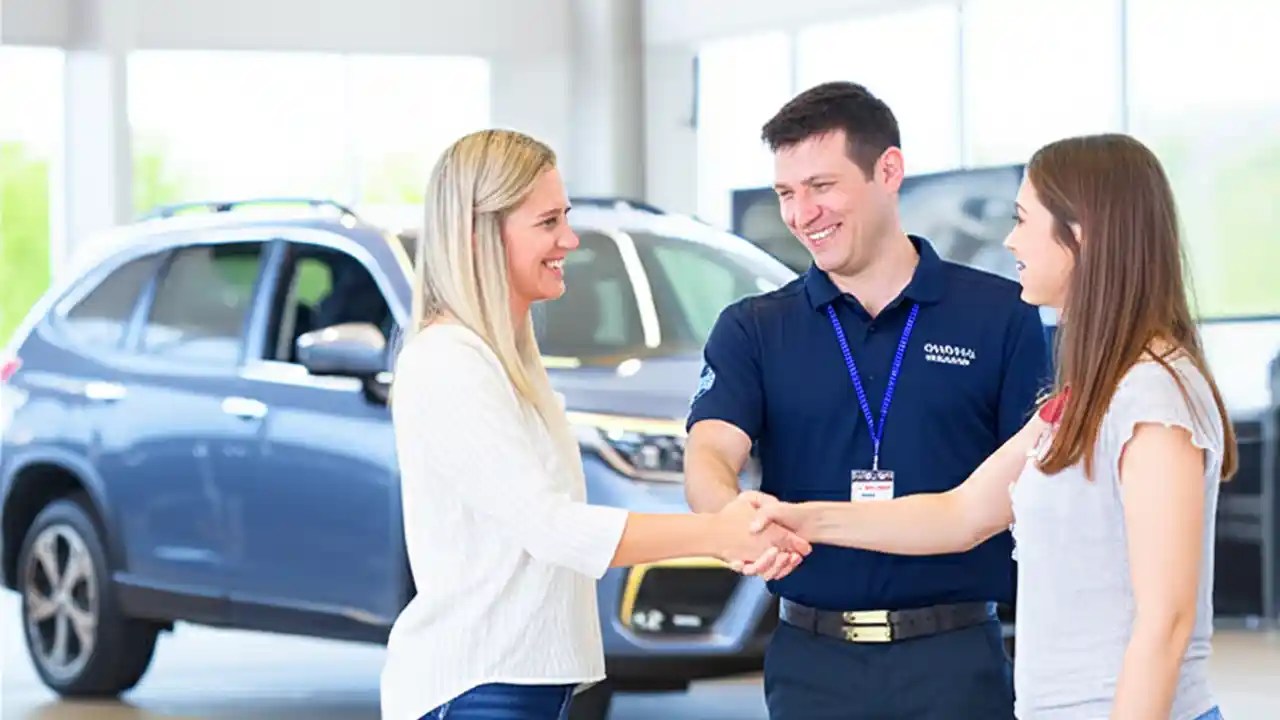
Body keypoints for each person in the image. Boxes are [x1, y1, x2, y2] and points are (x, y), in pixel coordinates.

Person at [751, 133, 1234, 720]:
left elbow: (1168, 621)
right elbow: (961, 514)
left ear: (1080, 233)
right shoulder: (1089, 394)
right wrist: (801, 519)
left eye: (1023, 220)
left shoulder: (1153, 395)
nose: (1009, 241)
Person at [379, 129, 811, 720]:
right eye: (548, 222)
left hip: (520, 684)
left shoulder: (508, 357)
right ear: (484, 233)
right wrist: (718, 533)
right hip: (478, 687)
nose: (569, 239)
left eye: (566, 217)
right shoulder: (450, 363)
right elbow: (554, 528)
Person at [684, 81, 1050, 719]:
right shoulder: (754, 328)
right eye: (786, 194)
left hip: (957, 657)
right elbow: (710, 448)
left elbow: (1035, 491)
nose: (801, 215)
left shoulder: (1000, 316)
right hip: (810, 660)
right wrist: (733, 516)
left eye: (821, 187)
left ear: (889, 171)